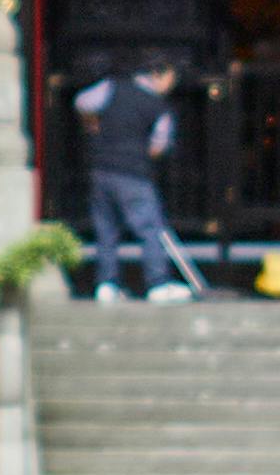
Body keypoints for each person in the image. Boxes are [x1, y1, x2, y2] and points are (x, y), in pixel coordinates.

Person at [71, 58, 192, 303]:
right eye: (170, 79)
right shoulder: (158, 107)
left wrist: (92, 123)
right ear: (159, 74)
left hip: (102, 169)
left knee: (106, 229)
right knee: (149, 228)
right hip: (134, 173)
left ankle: (107, 284)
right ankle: (157, 283)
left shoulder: (112, 87)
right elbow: (159, 146)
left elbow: (82, 102)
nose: (170, 85)